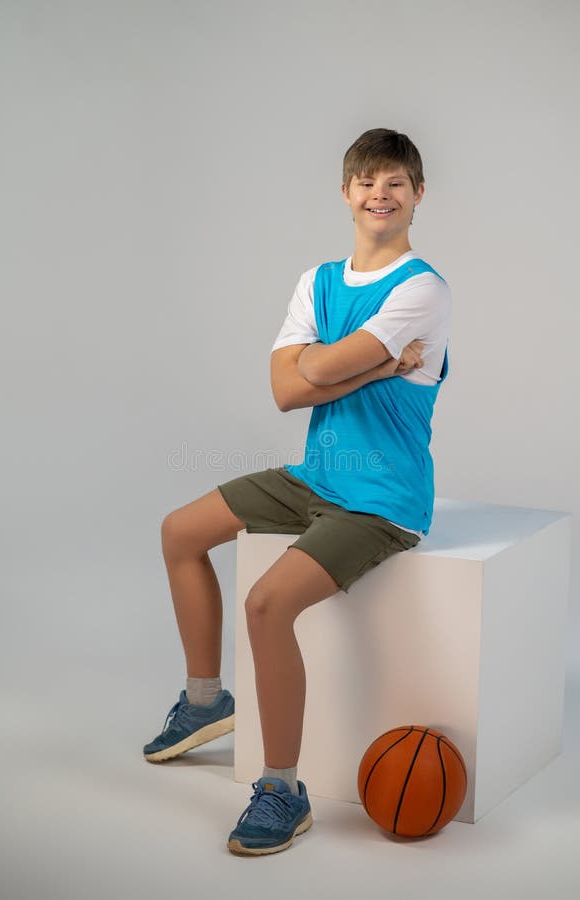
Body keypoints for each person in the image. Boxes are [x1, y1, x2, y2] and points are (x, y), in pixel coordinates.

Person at [143, 127, 451, 856]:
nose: (380, 193)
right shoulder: (315, 281)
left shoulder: (420, 288)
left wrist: (329, 365)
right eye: (367, 182)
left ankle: (282, 787)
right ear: (345, 193)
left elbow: (313, 369)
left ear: (417, 196)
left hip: (382, 500)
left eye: (395, 183)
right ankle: (203, 702)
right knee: (179, 532)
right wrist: (378, 369)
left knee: (265, 603)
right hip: (314, 477)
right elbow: (289, 390)